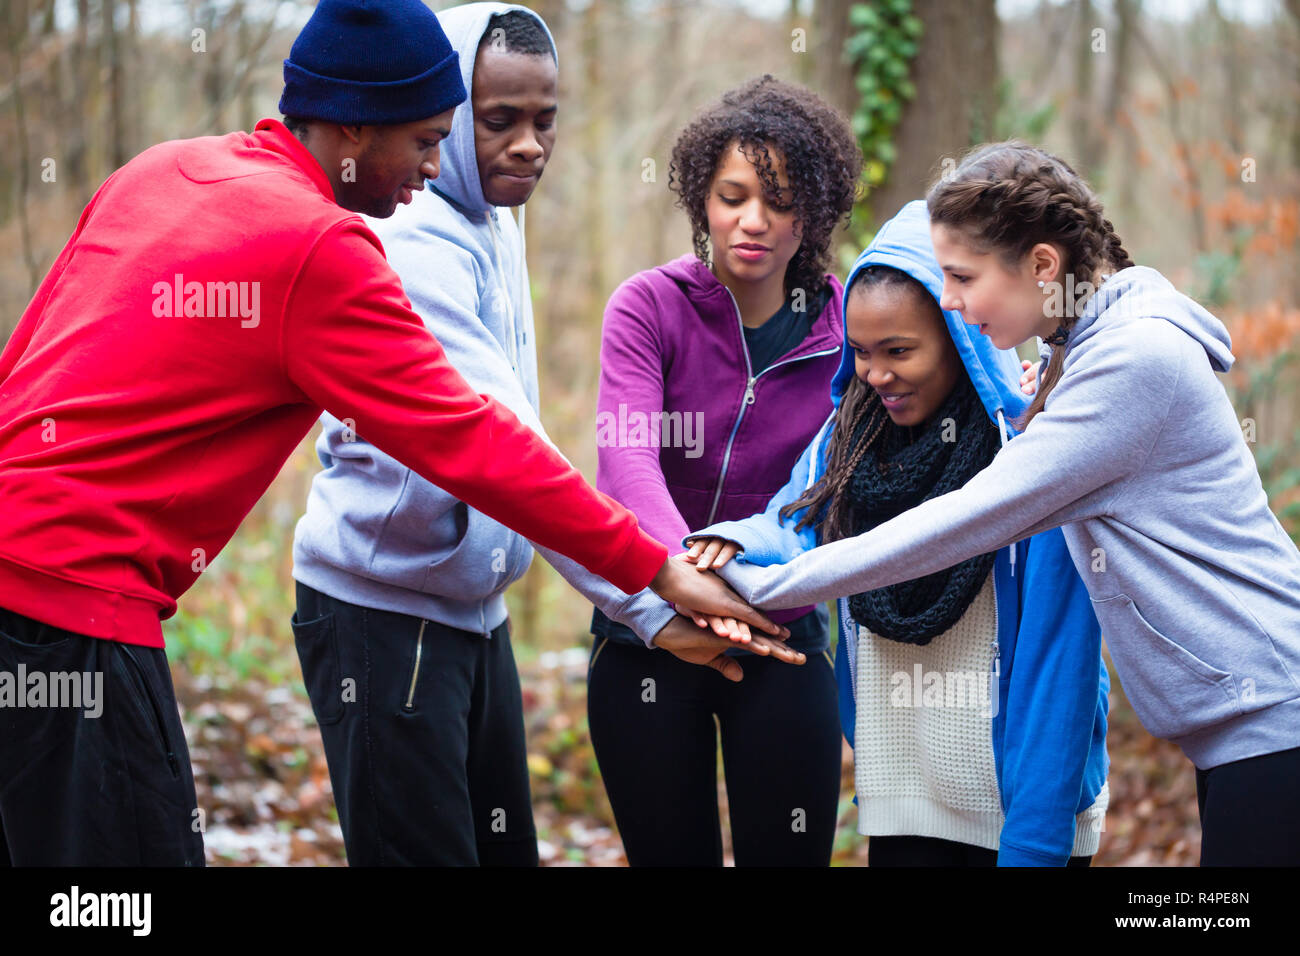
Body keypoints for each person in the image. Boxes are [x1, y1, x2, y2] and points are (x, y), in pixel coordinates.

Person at [0, 0, 788, 867]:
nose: (430, 165)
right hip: (71, 605)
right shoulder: (324, 250)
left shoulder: (163, 168)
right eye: (420, 141)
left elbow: (27, 354)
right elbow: (469, 440)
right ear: (348, 128)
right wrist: (655, 568)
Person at [703, 142, 1300, 867]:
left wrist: (767, 585)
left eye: (962, 277)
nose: (949, 300)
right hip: (1247, 724)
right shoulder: (1081, 351)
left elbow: (969, 517)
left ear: (1042, 266)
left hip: (1274, 713)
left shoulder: (1131, 363)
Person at [290, 4, 789, 868]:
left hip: (471, 615)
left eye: (544, 118)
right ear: (441, 117)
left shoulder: (492, 215)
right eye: (497, 121)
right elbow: (505, 449)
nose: (528, 144)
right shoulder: (411, 244)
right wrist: (647, 604)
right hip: (383, 613)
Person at [686, 200, 1109, 866]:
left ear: (959, 339)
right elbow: (794, 521)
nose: (875, 374)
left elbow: (1061, 665)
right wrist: (738, 541)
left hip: (1017, 817)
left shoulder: (1034, 455)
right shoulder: (850, 440)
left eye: (899, 351)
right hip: (901, 795)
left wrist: (1035, 841)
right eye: (859, 352)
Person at [585, 76, 863, 866]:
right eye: (733, 196)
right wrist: (682, 580)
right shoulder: (647, 307)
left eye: (779, 201)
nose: (753, 221)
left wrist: (747, 576)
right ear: (700, 199)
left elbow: (831, 487)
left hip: (784, 633)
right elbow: (626, 455)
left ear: (811, 212)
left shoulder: (847, 329)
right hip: (647, 633)